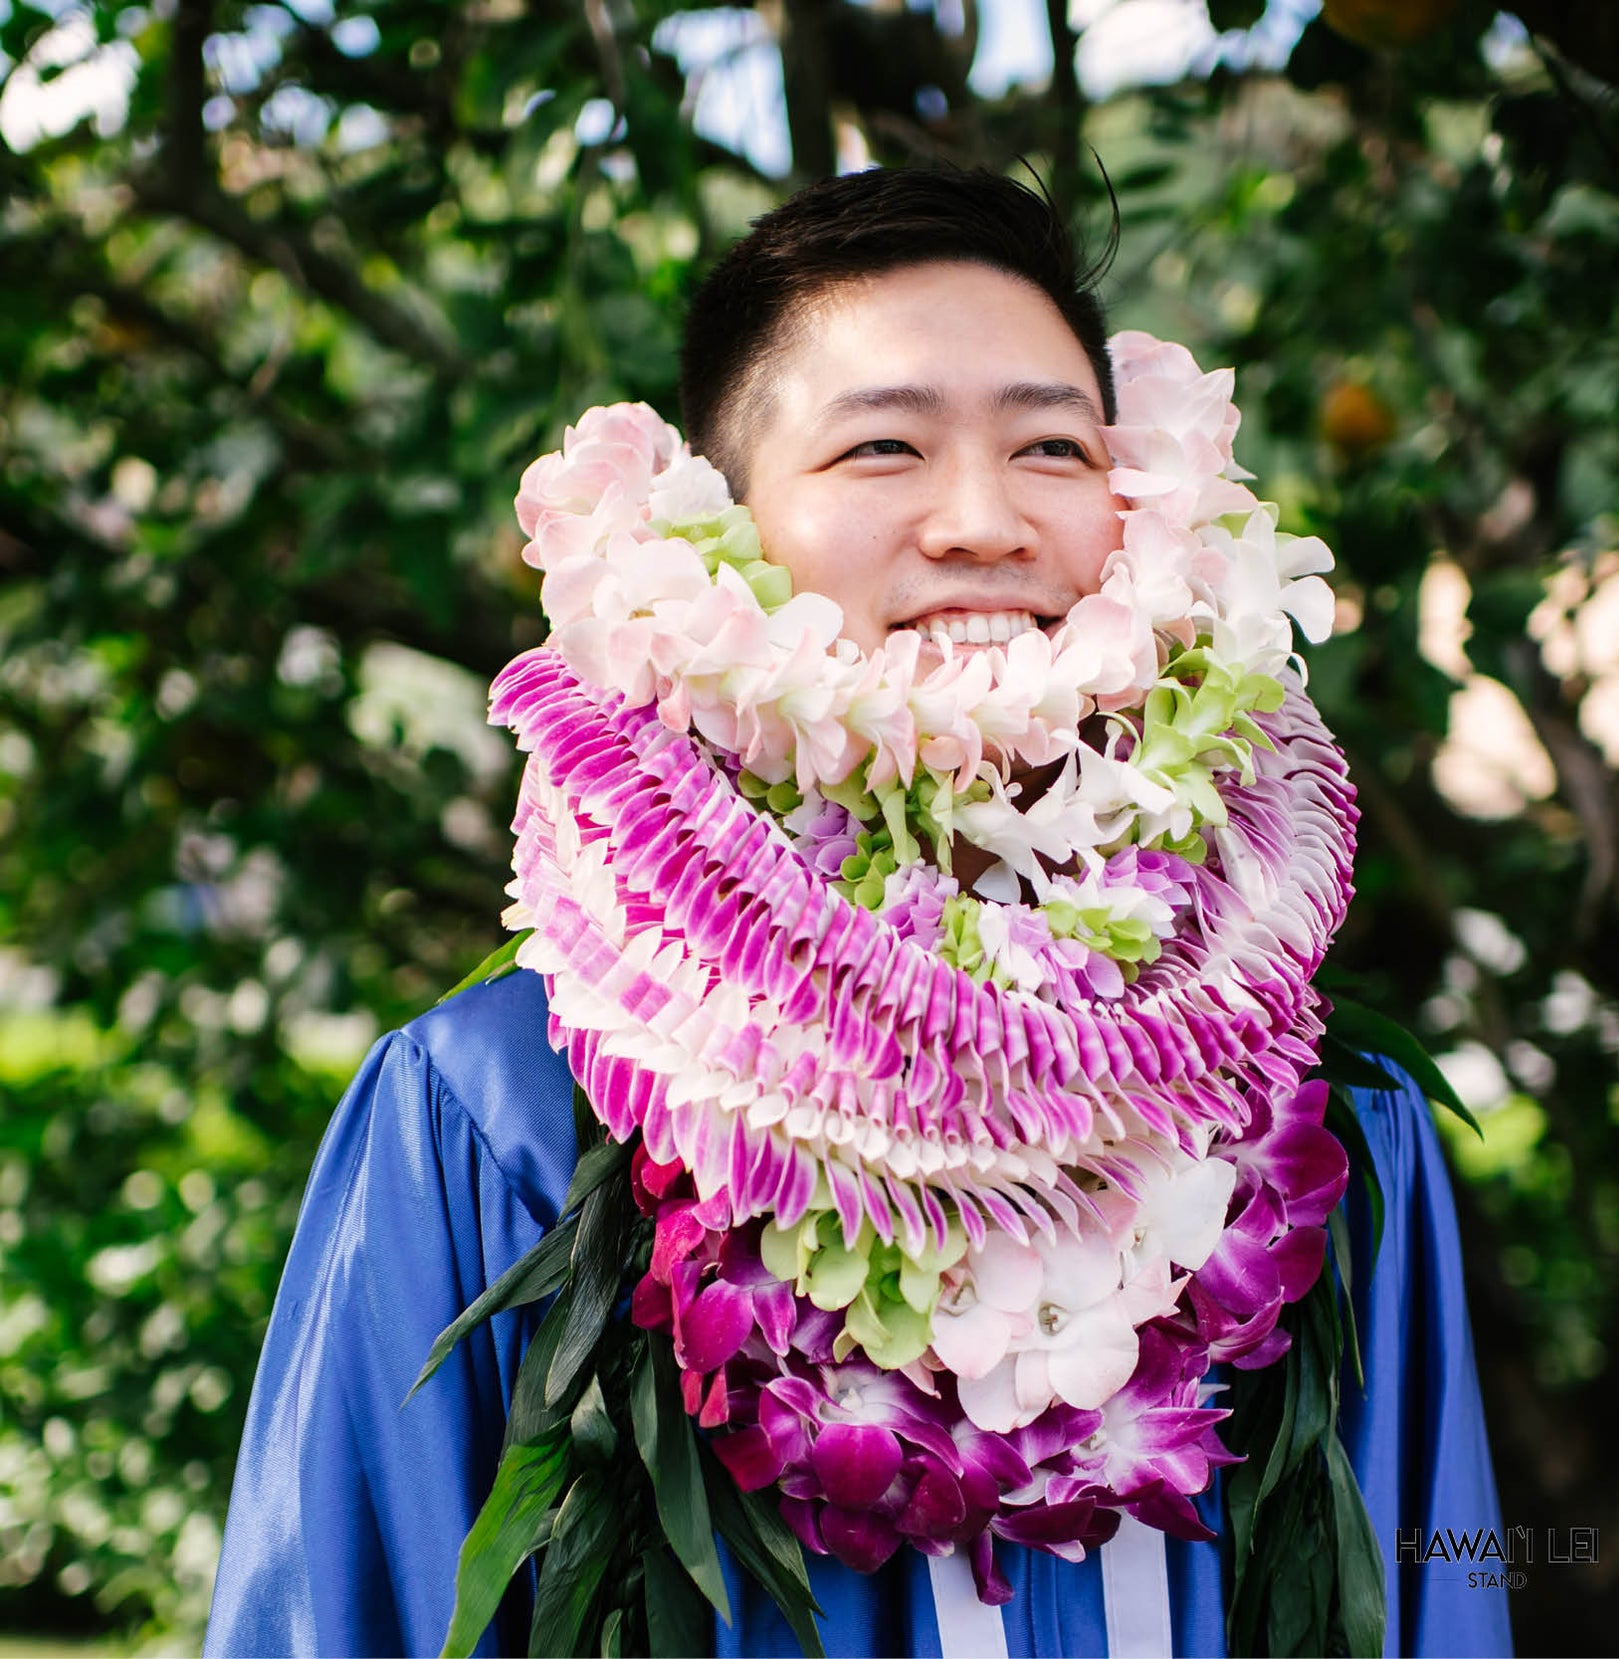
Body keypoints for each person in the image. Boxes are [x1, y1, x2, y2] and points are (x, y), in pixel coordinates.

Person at [204, 169, 1512, 1659]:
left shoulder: (1322, 1128)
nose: (985, 521)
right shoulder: (501, 1113)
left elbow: (1436, 1598)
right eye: (884, 444)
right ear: (719, 541)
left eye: (1052, 447)